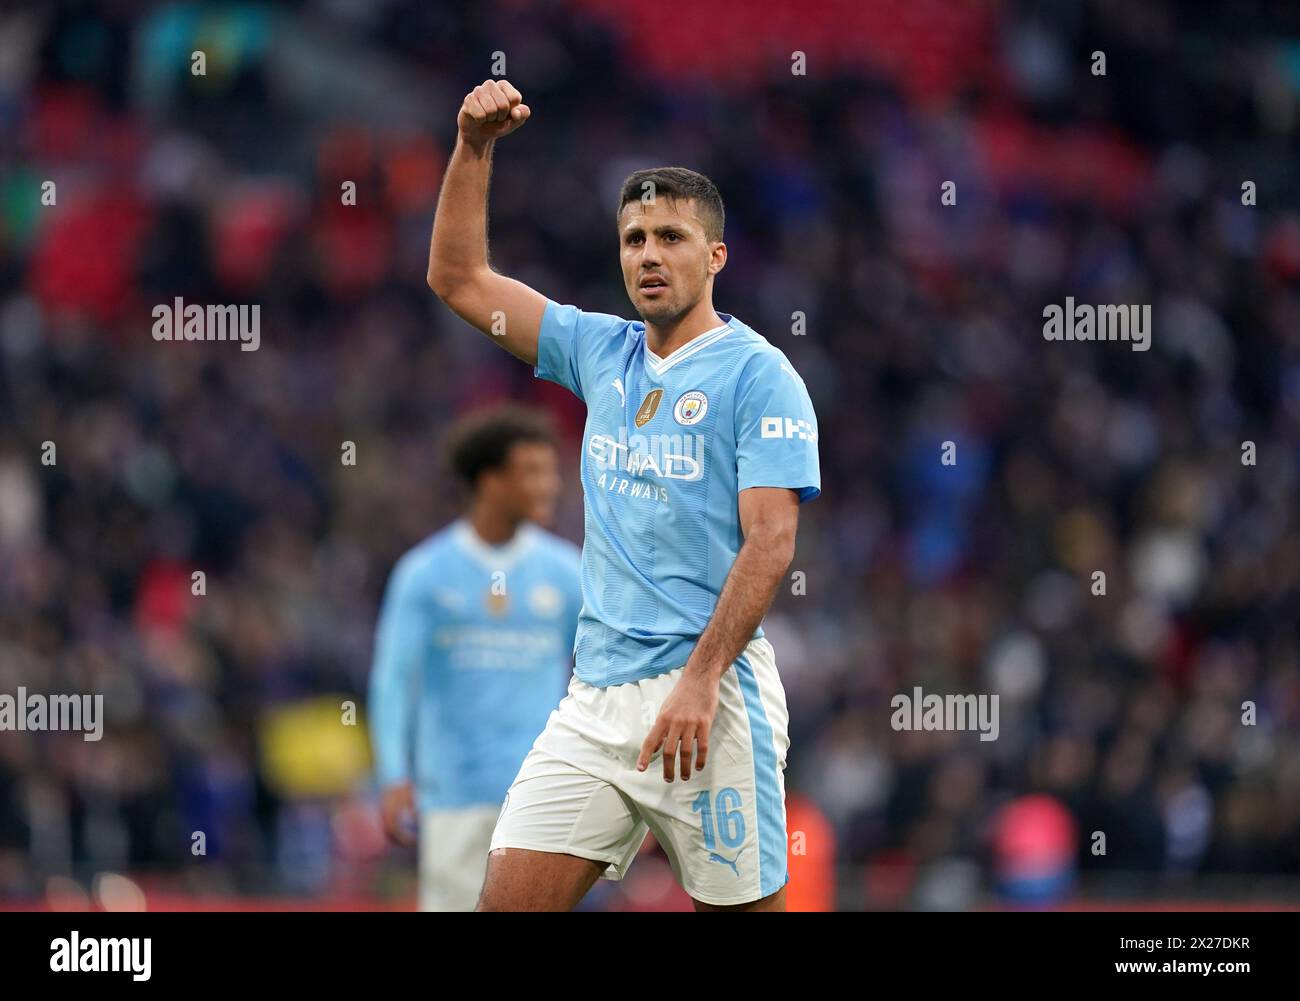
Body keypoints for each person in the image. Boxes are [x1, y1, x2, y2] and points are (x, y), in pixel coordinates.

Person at [426, 79, 821, 911]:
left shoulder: (761, 377)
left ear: (715, 256)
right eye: (635, 237)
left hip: (711, 703)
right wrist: (473, 146)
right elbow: (459, 278)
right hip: (594, 703)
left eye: (671, 236)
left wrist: (703, 678)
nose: (648, 253)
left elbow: (772, 542)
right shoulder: (596, 351)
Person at [367, 406, 581, 911]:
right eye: (533, 472)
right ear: (491, 481)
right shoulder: (424, 574)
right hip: (454, 793)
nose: (550, 485)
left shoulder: (566, 572)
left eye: (551, 471)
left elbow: (600, 675)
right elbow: (394, 682)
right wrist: (394, 774)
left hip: (541, 797)